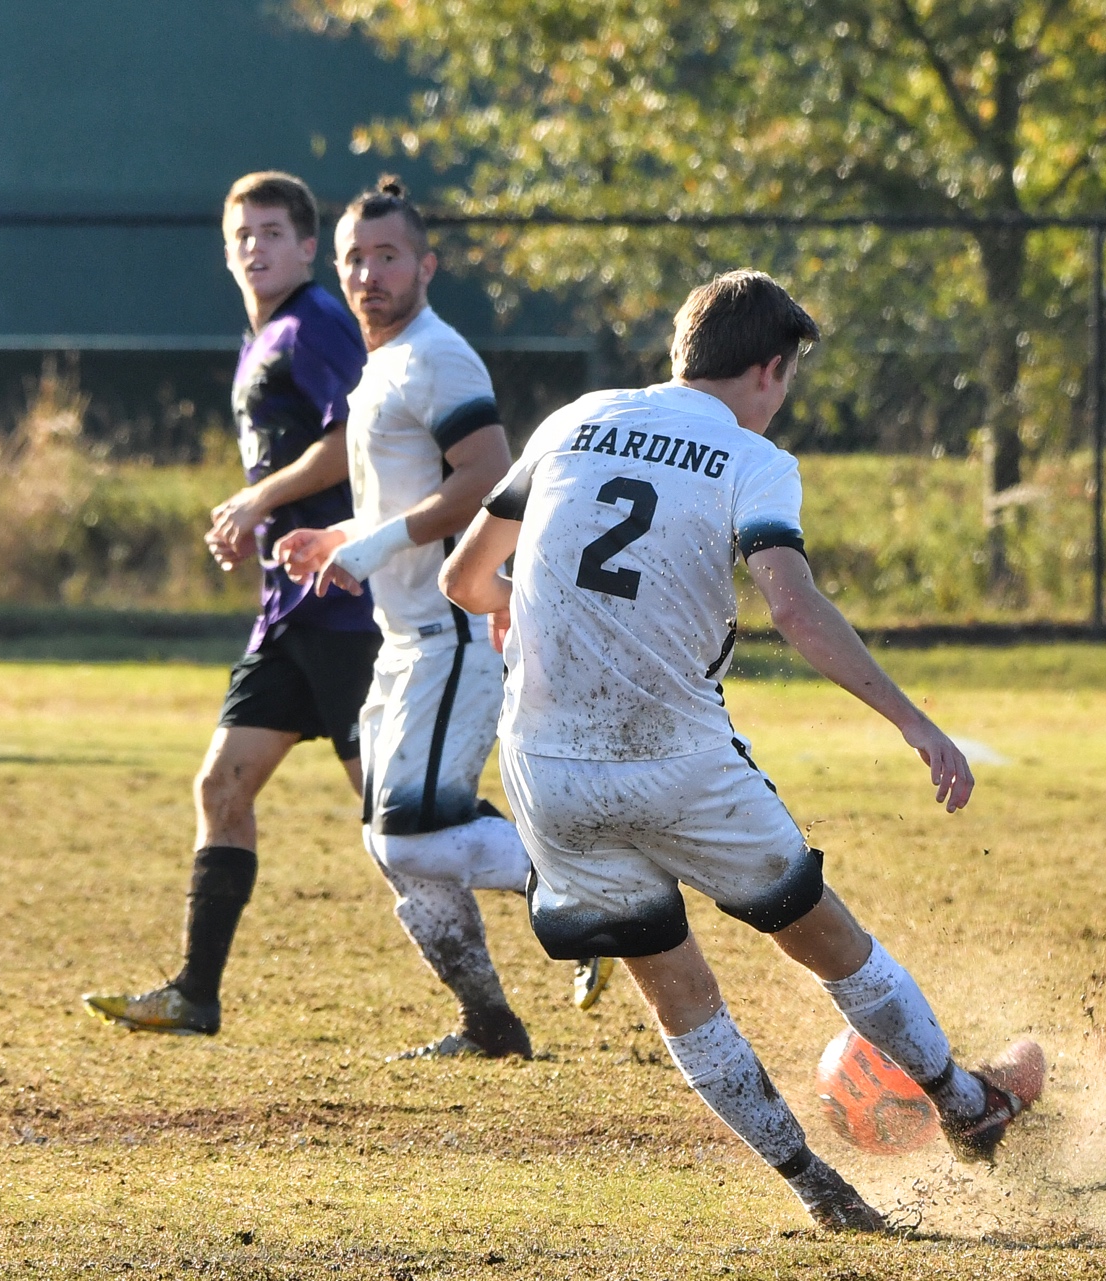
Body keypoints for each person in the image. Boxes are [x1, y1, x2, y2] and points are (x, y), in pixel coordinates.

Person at [439, 271, 1042, 1231]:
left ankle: (821, 1193)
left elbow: (464, 577)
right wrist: (914, 720)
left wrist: (520, 601)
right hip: (680, 763)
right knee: (828, 940)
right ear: (771, 368)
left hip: (548, 772)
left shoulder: (571, 420)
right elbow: (794, 609)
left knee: (682, 998)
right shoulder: (751, 456)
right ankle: (969, 1108)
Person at [271, 177, 612, 1060]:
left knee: (411, 834)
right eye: (354, 257)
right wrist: (339, 538)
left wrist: (374, 545)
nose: (367, 272)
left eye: (387, 255)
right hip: (402, 635)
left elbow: (488, 477)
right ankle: (489, 1024)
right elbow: (415, 500)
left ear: (426, 264)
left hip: (451, 634)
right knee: (395, 847)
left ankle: (586, 885)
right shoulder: (381, 363)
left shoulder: (438, 356)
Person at [84, 172, 377, 1035]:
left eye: (271, 232)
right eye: (240, 234)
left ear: (305, 246)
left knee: (401, 817)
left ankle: (572, 906)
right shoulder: (265, 335)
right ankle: (194, 993)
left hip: (344, 602)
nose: (254, 247)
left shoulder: (315, 322)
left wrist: (258, 502)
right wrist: (255, 516)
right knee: (222, 783)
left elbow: (354, 437)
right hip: (289, 612)